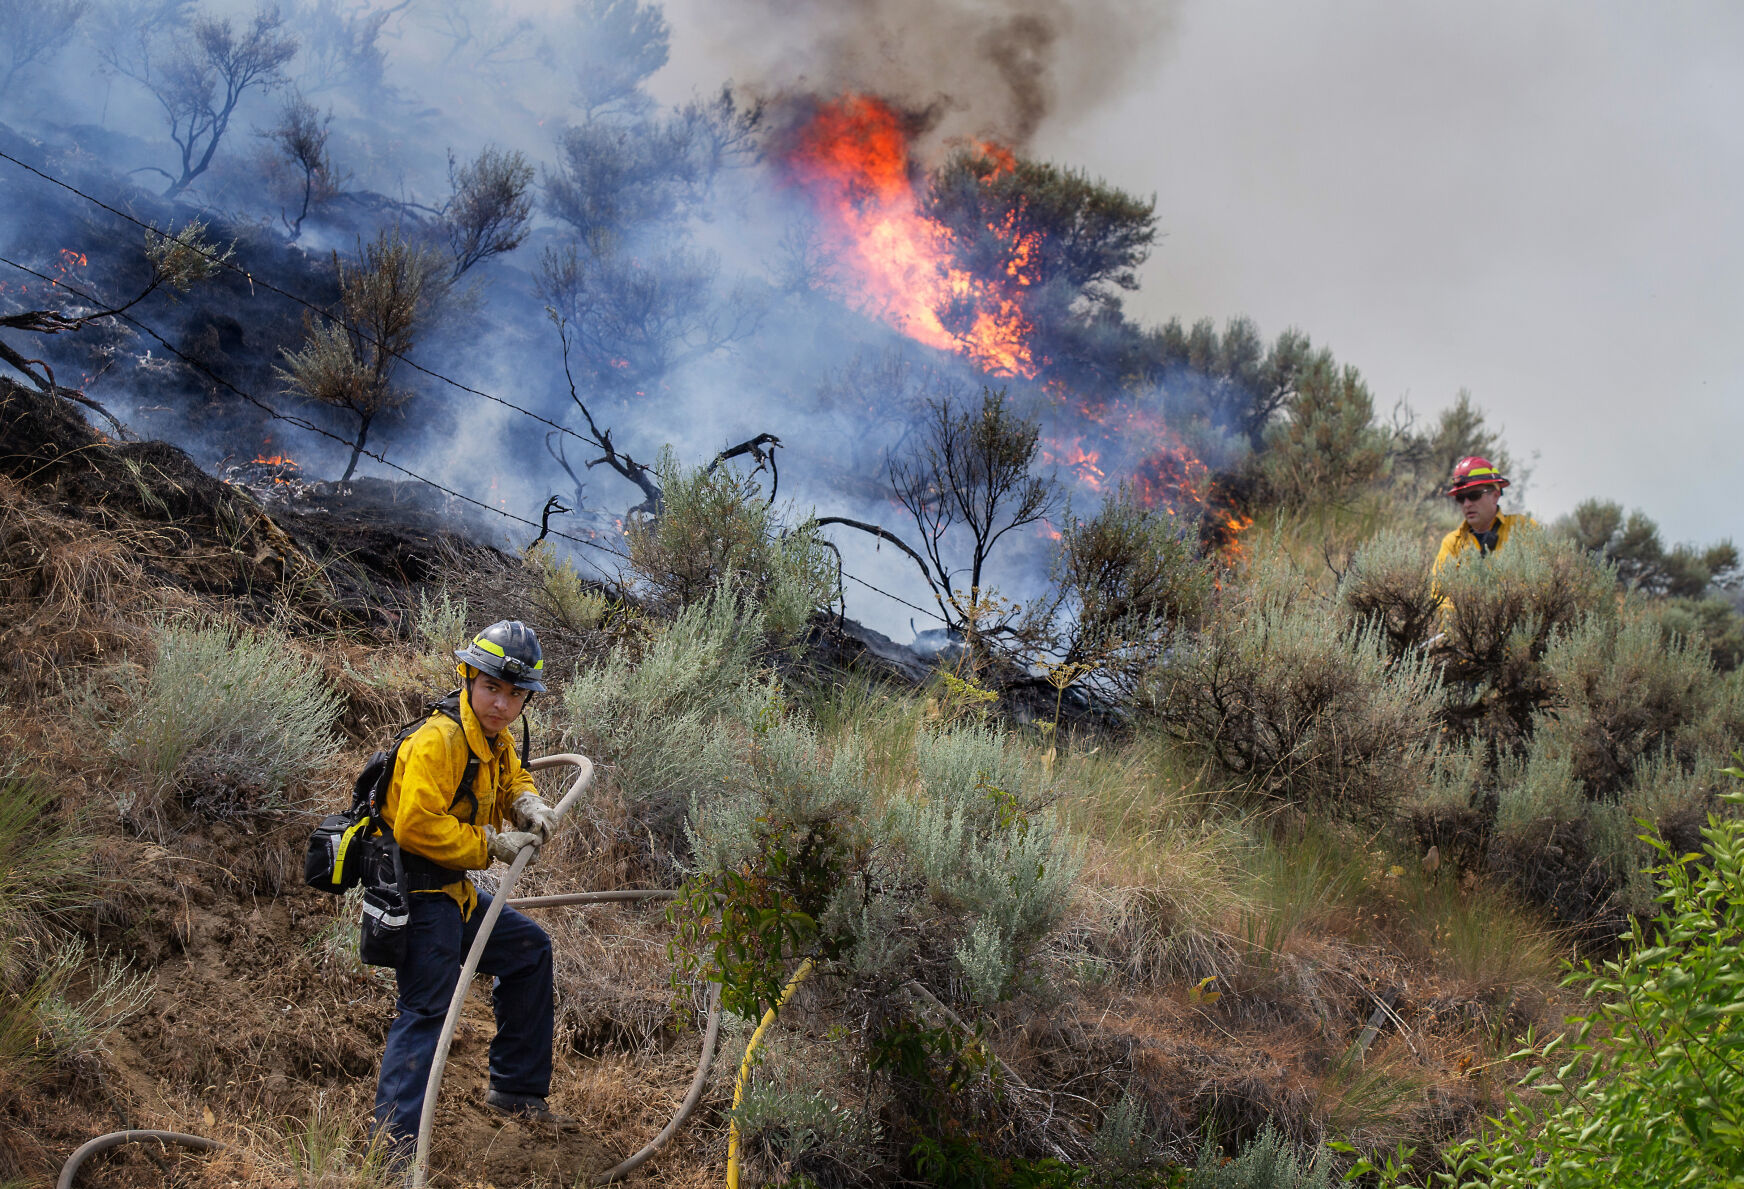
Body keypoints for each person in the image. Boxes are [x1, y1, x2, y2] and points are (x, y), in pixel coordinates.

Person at [371, 619, 571, 1156]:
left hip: (454, 892)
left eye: (514, 694)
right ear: (467, 676)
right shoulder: (440, 740)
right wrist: (490, 845)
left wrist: (526, 803)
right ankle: (391, 1153)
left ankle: (516, 1091)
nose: (501, 704)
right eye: (491, 688)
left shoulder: (495, 738)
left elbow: (512, 778)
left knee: (528, 950)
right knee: (427, 1012)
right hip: (417, 895)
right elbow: (415, 825)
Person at [1432, 456, 1520, 575]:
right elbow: (1438, 591)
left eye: (1474, 495)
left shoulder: (1522, 528)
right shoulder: (1452, 543)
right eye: (1461, 498)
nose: (1467, 504)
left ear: (1495, 495)